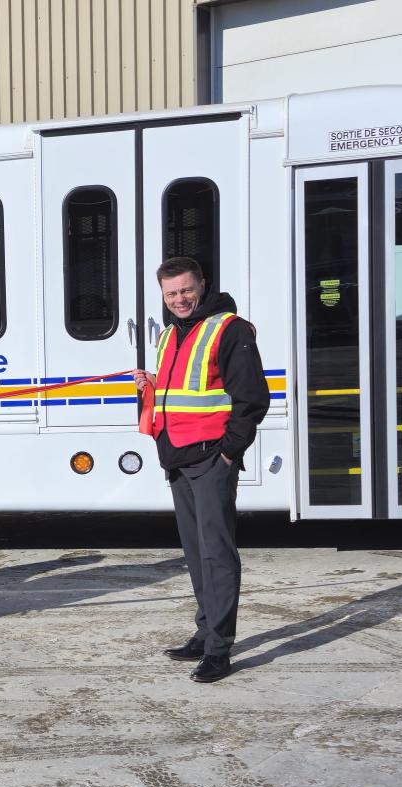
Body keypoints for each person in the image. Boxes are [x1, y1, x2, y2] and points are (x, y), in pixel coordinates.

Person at [128, 257, 269, 684]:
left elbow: (252, 399)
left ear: (202, 285)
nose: (180, 299)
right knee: (195, 553)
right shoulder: (169, 334)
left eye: (186, 290)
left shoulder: (230, 329)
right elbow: (184, 392)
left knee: (217, 554)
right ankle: (205, 631)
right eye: (171, 293)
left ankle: (219, 650)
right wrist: (150, 386)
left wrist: (229, 453)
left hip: (211, 460)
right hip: (177, 459)